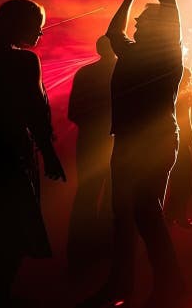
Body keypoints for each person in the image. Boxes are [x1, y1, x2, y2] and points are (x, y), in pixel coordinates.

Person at [80, 0, 184, 307]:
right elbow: (113, 32)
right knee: (123, 213)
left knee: (145, 211)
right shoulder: (133, 52)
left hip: (154, 141)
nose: (135, 24)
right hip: (127, 140)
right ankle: (122, 283)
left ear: (160, 27)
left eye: (142, 21)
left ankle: (169, 286)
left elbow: (170, 0)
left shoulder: (168, 52)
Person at [0, 0, 67, 305]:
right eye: (37, 26)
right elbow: (36, 112)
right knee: (14, 229)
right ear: (18, 24)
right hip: (12, 153)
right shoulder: (24, 61)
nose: (41, 33)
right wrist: (49, 155)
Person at [67, 35, 116, 272]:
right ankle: (105, 248)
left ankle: (79, 252)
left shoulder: (85, 73)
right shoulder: (124, 72)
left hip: (89, 140)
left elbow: (73, 112)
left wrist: (91, 125)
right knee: (112, 196)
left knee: (86, 194)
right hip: (116, 141)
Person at [165, 67, 192, 228]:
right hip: (180, 144)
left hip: (171, 141)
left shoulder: (172, 95)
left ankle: (171, 216)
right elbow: (186, 124)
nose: (189, 81)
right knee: (186, 182)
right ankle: (177, 216)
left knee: (177, 181)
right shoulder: (182, 97)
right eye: (187, 78)